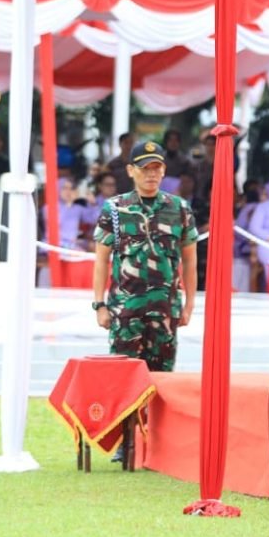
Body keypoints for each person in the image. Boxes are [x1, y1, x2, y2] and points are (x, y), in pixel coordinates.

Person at [91, 141, 199, 372]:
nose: (151, 174)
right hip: (125, 311)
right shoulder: (115, 209)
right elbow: (101, 260)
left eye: (156, 168)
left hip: (165, 310)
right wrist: (99, 305)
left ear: (164, 170)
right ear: (131, 171)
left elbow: (190, 260)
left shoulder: (179, 208)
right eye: (145, 168)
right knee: (124, 377)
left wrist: (189, 304)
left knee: (162, 378)